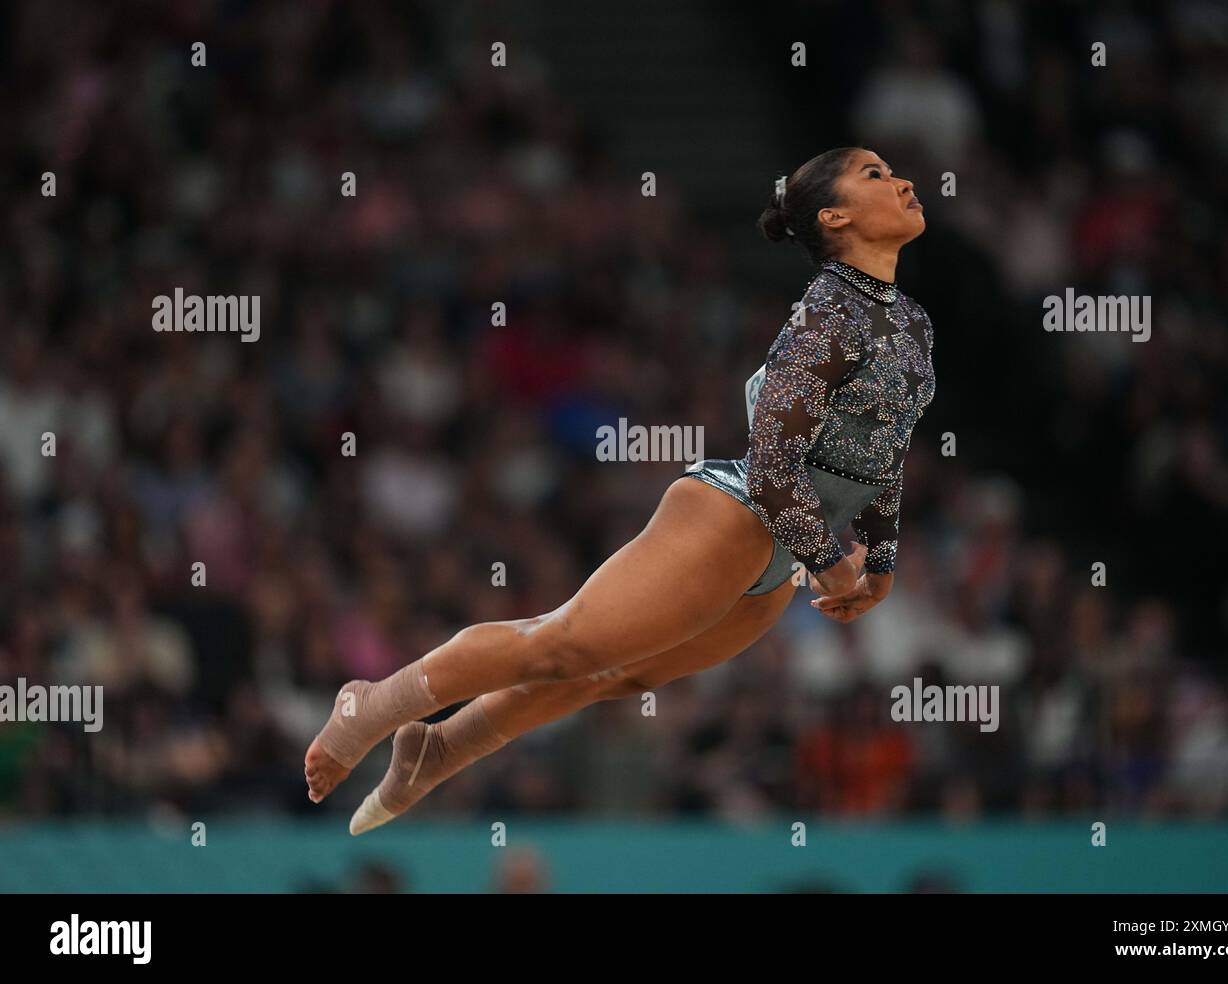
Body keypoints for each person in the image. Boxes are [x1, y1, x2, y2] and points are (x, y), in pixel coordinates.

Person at [303, 146, 936, 834]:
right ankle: (376, 701)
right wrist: (827, 558)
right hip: (739, 517)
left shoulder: (910, 322)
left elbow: (881, 450)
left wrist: (880, 557)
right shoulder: (830, 317)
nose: (901, 179)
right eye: (874, 173)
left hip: (775, 558)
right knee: (561, 644)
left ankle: (440, 749)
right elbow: (775, 462)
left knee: (619, 676)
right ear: (834, 215)